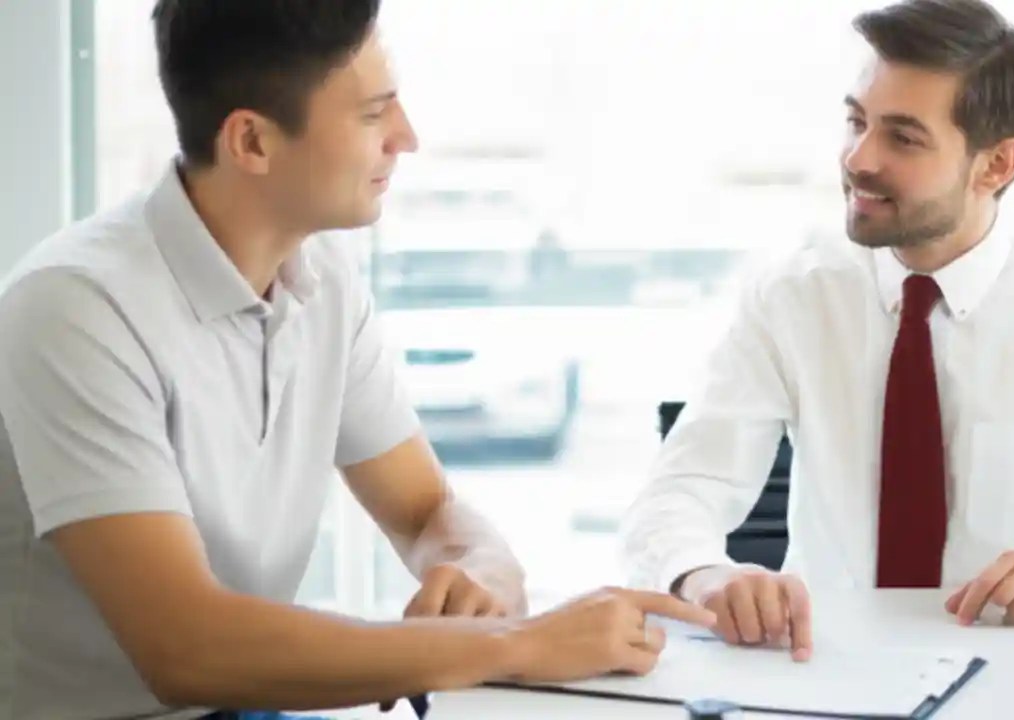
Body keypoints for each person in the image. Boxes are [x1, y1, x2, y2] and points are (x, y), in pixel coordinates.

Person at [0, 1, 713, 718]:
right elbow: (186, 650)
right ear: (251, 141)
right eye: (373, 116)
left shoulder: (323, 277)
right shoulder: (75, 309)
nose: (407, 138)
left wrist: (479, 569)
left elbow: (426, 509)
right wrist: (515, 643)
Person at [621, 0, 1014, 662]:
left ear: (995, 165)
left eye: (902, 138)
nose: (858, 159)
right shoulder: (792, 298)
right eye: (857, 122)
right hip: (821, 667)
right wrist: (704, 574)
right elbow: (677, 496)